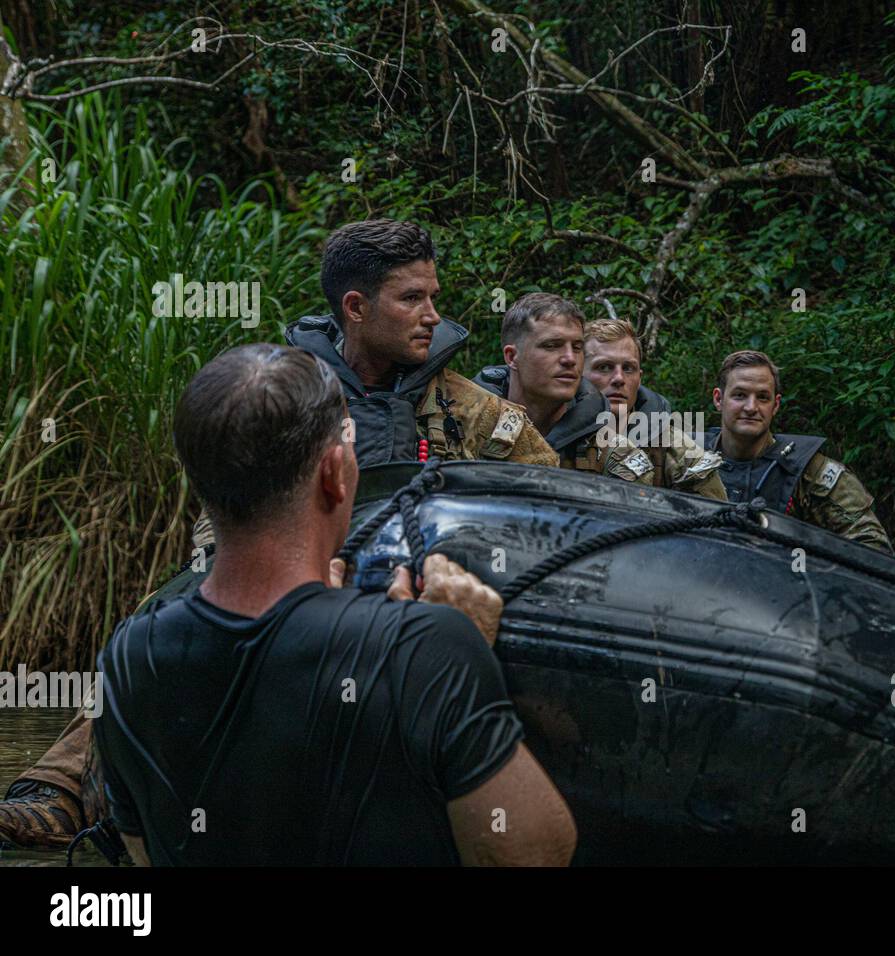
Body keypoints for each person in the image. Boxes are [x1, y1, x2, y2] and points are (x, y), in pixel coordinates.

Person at [0, 219, 559, 852]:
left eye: (433, 296)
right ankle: (63, 786)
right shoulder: (286, 399)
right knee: (167, 610)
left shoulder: (482, 415)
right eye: (412, 298)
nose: (433, 315)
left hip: (427, 584)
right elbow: (225, 506)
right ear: (356, 307)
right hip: (294, 580)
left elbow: (551, 518)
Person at [92, 344, 576, 865]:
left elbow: (145, 856)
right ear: (334, 474)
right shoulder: (427, 646)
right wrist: (469, 658)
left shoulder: (129, 656)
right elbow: (537, 858)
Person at [702, 350, 892, 551]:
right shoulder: (688, 458)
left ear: (775, 405)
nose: (751, 407)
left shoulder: (808, 470)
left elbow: (872, 545)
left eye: (763, 397)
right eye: (740, 395)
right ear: (719, 399)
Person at [474, 293, 654, 483]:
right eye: (552, 346)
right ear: (512, 357)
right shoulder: (465, 427)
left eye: (577, 348)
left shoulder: (615, 457)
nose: (570, 359)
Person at [582, 318, 726, 499]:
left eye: (628, 368)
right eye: (604, 367)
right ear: (578, 373)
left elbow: (715, 514)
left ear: (639, 379)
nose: (619, 378)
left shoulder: (677, 452)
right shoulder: (554, 431)